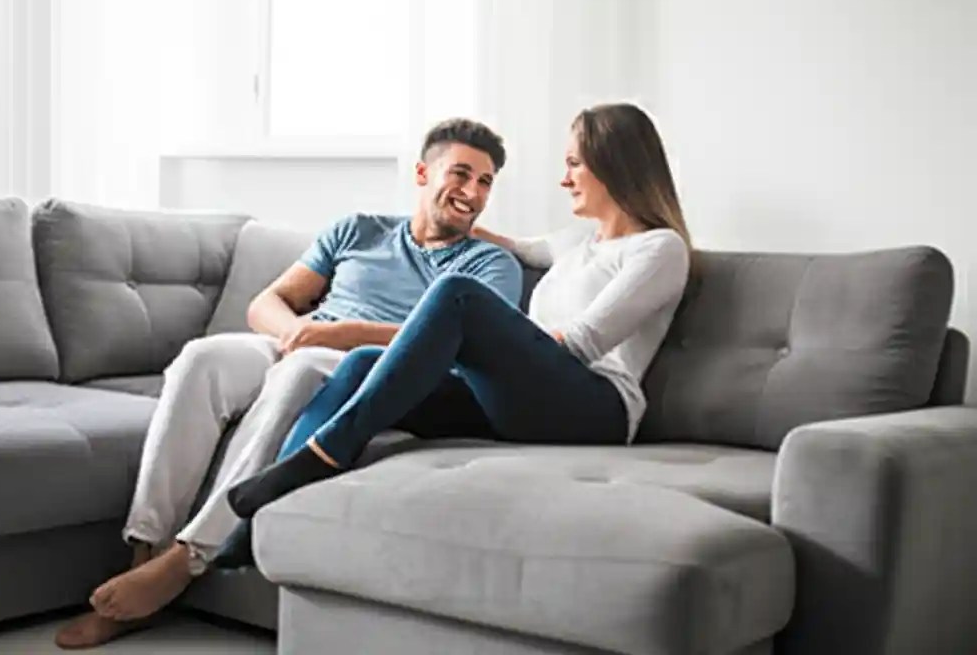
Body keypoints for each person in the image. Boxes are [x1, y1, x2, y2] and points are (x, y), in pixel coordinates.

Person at [55, 118, 522, 649]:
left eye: (485, 182)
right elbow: (265, 303)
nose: (472, 192)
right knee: (200, 358)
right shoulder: (358, 229)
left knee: (299, 373)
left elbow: (464, 341)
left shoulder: (491, 264)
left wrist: (339, 334)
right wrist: (296, 330)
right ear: (422, 172)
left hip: (368, 364)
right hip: (298, 343)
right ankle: (144, 551)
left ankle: (190, 558)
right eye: (461, 173)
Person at [219, 103, 693, 562]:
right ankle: (256, 519)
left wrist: (497, 345)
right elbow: (513, 245)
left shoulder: (659, 249)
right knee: (363, 362)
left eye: (574, 165)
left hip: (595, 409)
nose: (563, 179)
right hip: (529, 400)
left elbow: (584, 342)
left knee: (458, 294)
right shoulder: (575, 241)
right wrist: (436, 207)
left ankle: (323, 453)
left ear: (613, 164)